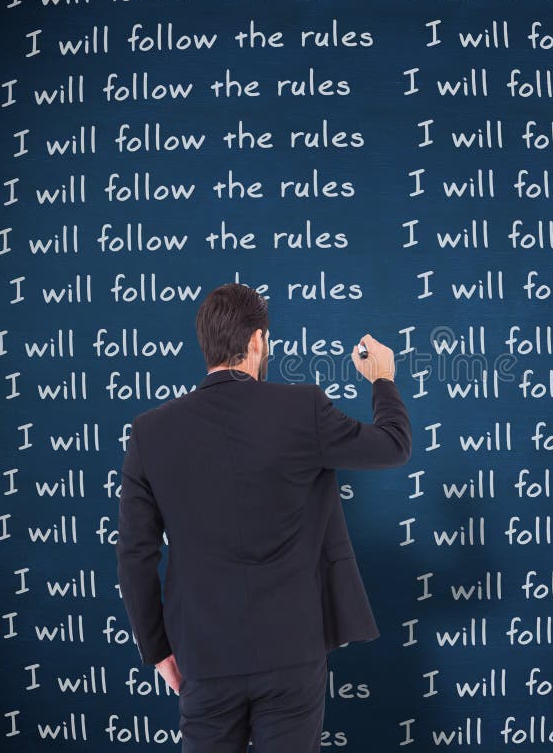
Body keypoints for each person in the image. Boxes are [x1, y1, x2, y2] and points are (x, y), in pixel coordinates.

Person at [115, 282, 412, 752]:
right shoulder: (303, 408)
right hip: (292, 651)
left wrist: (158, 650)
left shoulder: (149, 432)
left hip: (204, 657)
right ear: (257, 340)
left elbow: (135, 555)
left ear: (206, 344)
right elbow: (394, 445)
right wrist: (382, 379)